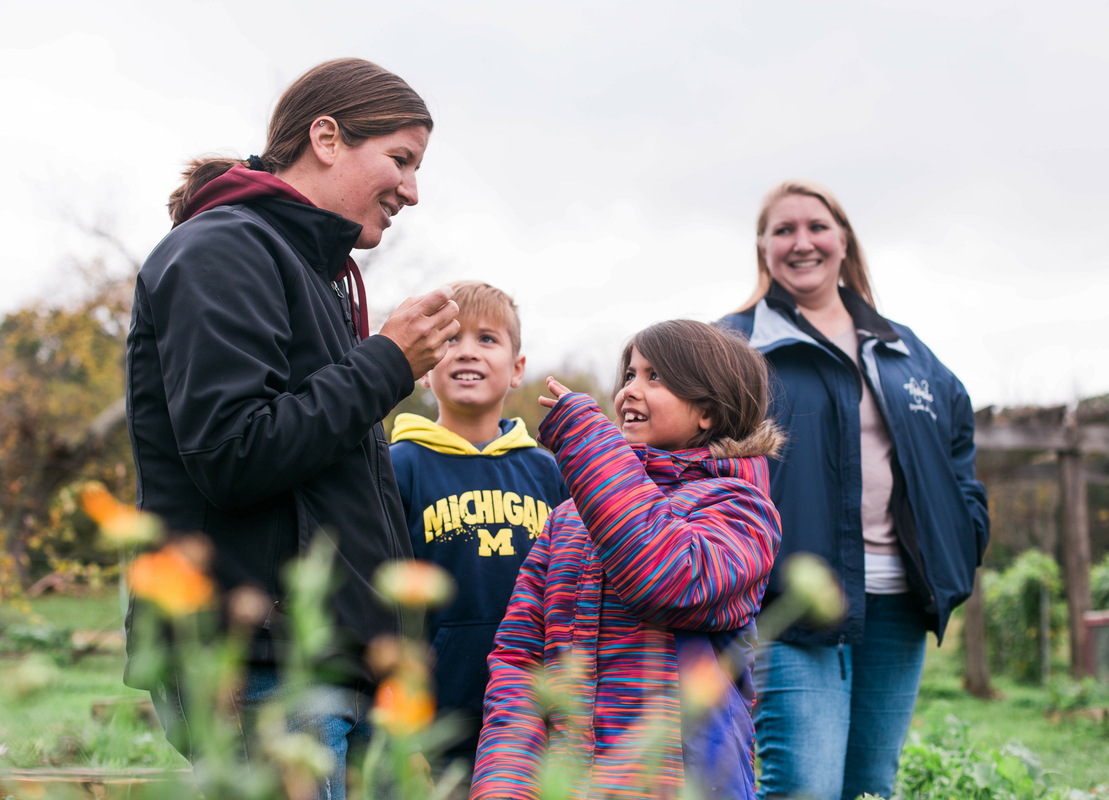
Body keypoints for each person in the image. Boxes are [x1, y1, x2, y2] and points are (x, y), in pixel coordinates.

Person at [125, 58, 459, 799]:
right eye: (400, 160)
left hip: (339, 664)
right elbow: (234, 453)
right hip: (263, 662)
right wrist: (386, 364)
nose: (412, 190)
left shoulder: (316, 275)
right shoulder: (221, 250)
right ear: (327, 137)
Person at [720, 180, 989, 800]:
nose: (801, 241)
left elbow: (957, 446)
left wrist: (963, 540)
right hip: (789, 602)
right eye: (782, 230)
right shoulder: (734, 346)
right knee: (804, 787)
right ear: (762, 249)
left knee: (872, 787)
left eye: (816, 226)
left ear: (843, 240)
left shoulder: (903, 350)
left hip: (897, 602)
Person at [470, 320, 784, 800]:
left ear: (708, 410)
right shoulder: (568, 519)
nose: (628, 392)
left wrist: (591, 446)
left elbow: (666, 579)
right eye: (630, 374)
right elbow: (519, 659)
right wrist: (506, 781)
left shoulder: (741, 510)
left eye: (654, 377)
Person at [388, 280, 569, 775]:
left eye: (487, 339)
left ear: (517, 369)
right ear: (424, 370)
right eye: (450, 340)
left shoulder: (549, 472)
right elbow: (384, 604)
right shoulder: (396, 467)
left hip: (532, 718)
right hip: (436, 717)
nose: (467, 352)